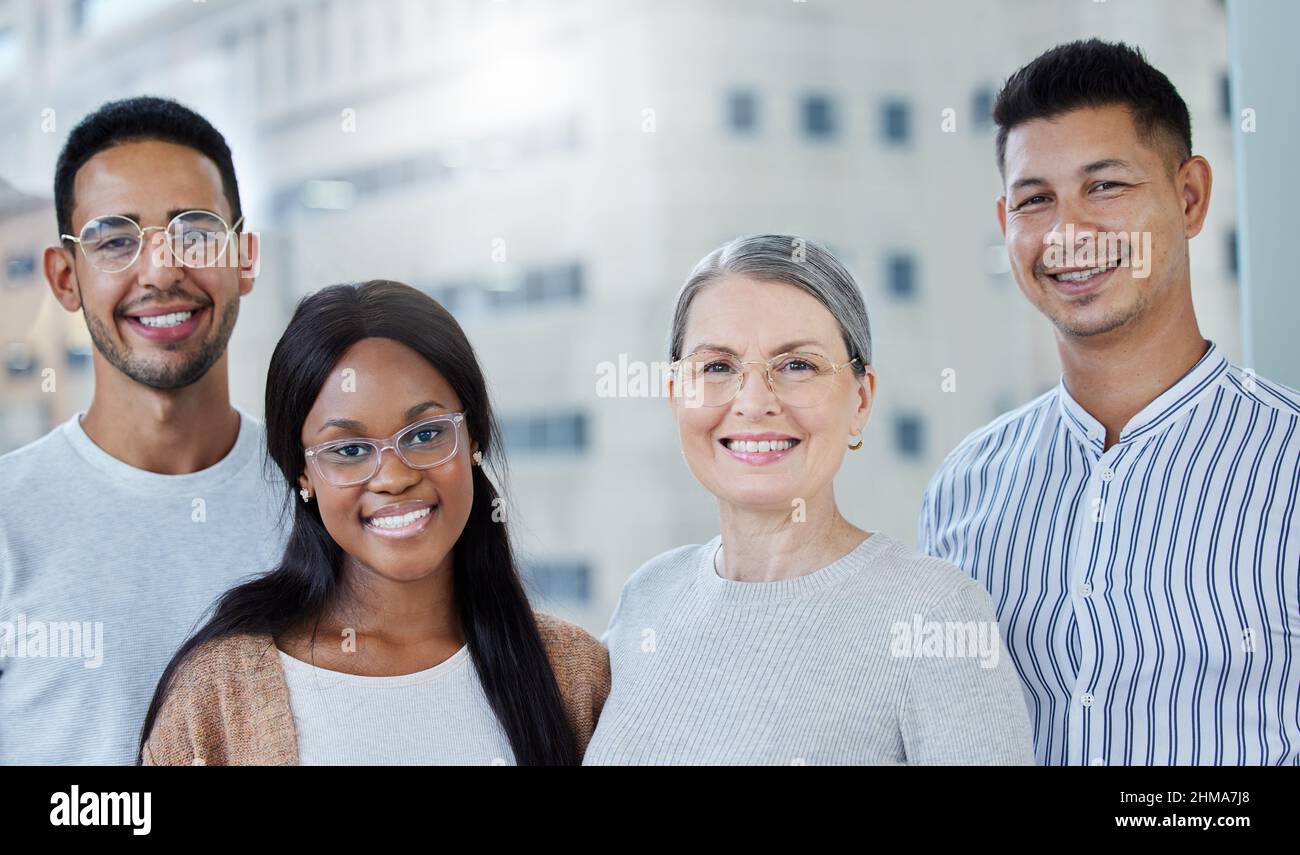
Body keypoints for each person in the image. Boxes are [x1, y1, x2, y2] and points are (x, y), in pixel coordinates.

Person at [918, 40, 1300, 765]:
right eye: (1036, 200)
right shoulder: (962, 488)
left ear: (1189, 197)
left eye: (1106, 187)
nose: (1067, 233)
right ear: (1007, 224)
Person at [584, 234, 1035, 765]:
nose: (754, 403)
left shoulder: (934, 614)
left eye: (797, 365)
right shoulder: (649, 597)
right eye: (717, 367)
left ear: (861, 399)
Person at [138, 280, 610, 765]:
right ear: (303, 473)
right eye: (348, 450)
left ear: (473, 439)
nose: (394, 477)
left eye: (426, 433)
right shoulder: (217, 693)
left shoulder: (574, 675)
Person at [0, 96, 288, 764]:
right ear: (65, 277)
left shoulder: (325, 503)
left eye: (195, 231)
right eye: (115, 240)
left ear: (245, 258)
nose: (160, 269)